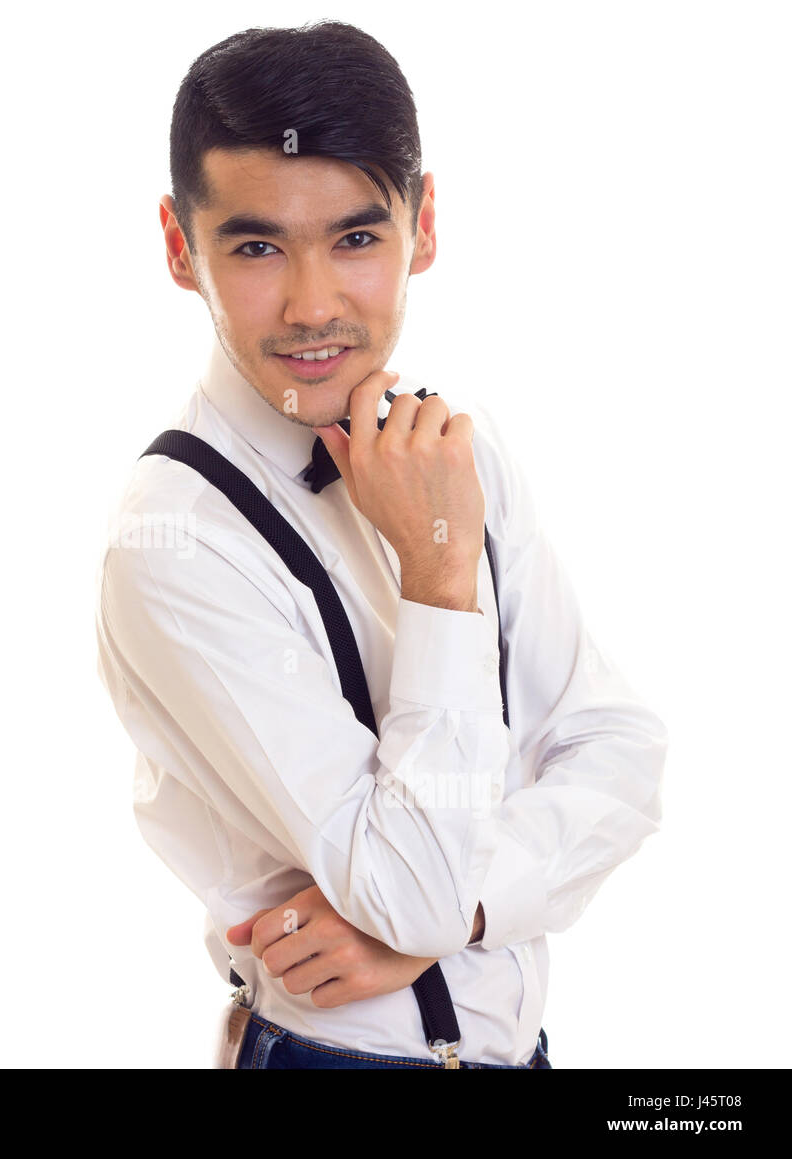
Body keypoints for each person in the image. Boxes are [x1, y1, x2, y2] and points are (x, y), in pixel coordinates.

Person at [94, 20, 666, 1069]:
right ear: (182, 249)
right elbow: (410, 887)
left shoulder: (460, 445)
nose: (312, 305)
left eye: (355, 238)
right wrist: (442, 573)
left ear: (425, 224)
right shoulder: (170, 539)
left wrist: (464, 906)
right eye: (256, 245)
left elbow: (620, 754)